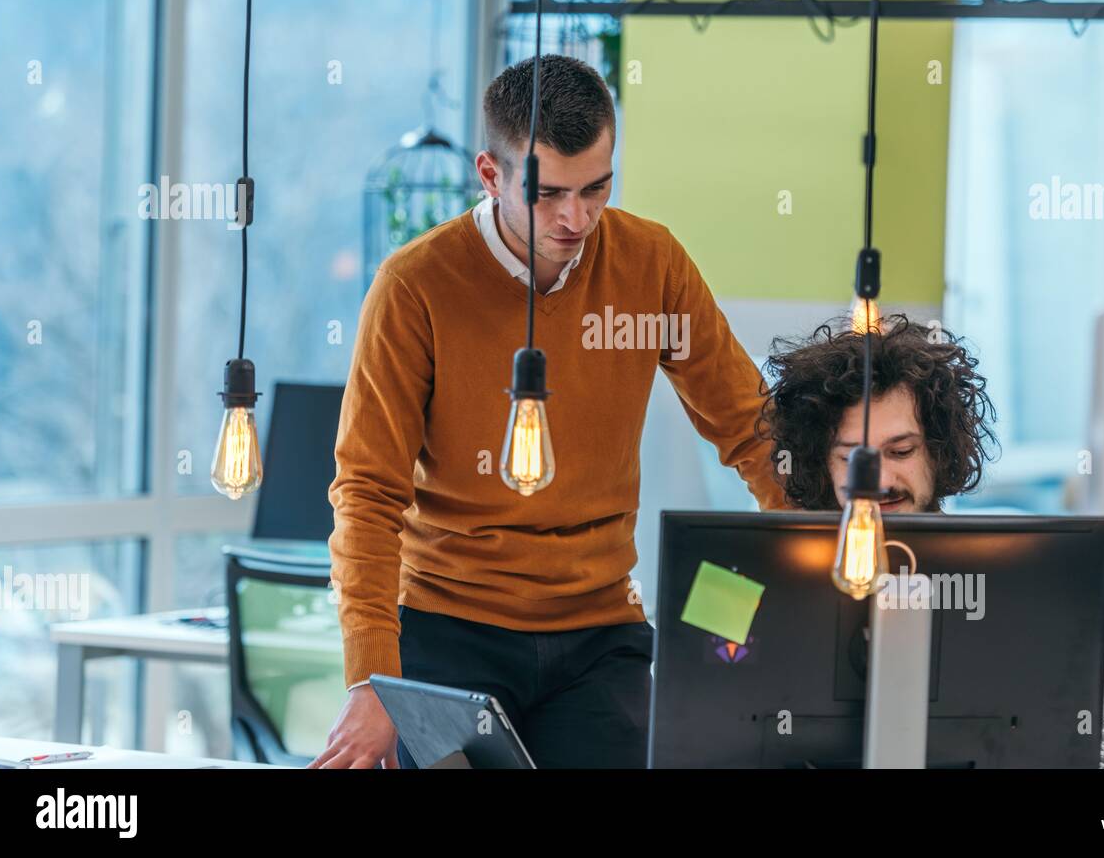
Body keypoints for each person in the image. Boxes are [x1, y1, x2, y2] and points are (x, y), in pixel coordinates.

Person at [310, 55, 786, 769]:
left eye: (596, 188)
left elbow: (750, 427)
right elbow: (368, 493)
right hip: (447, 625)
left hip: (599, 630)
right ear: (490, 174)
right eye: (549, 193)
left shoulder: (651, 263)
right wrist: (370, 678)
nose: (576, 218)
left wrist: (819, 566)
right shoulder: (414, 286)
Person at [758, 313, 1104, 769]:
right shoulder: (765, 579)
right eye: (854, 458)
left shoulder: (1034, 577)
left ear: (938, 454)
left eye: (901, 451)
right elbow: (710, 724)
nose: (879, 479)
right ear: (822, 464)